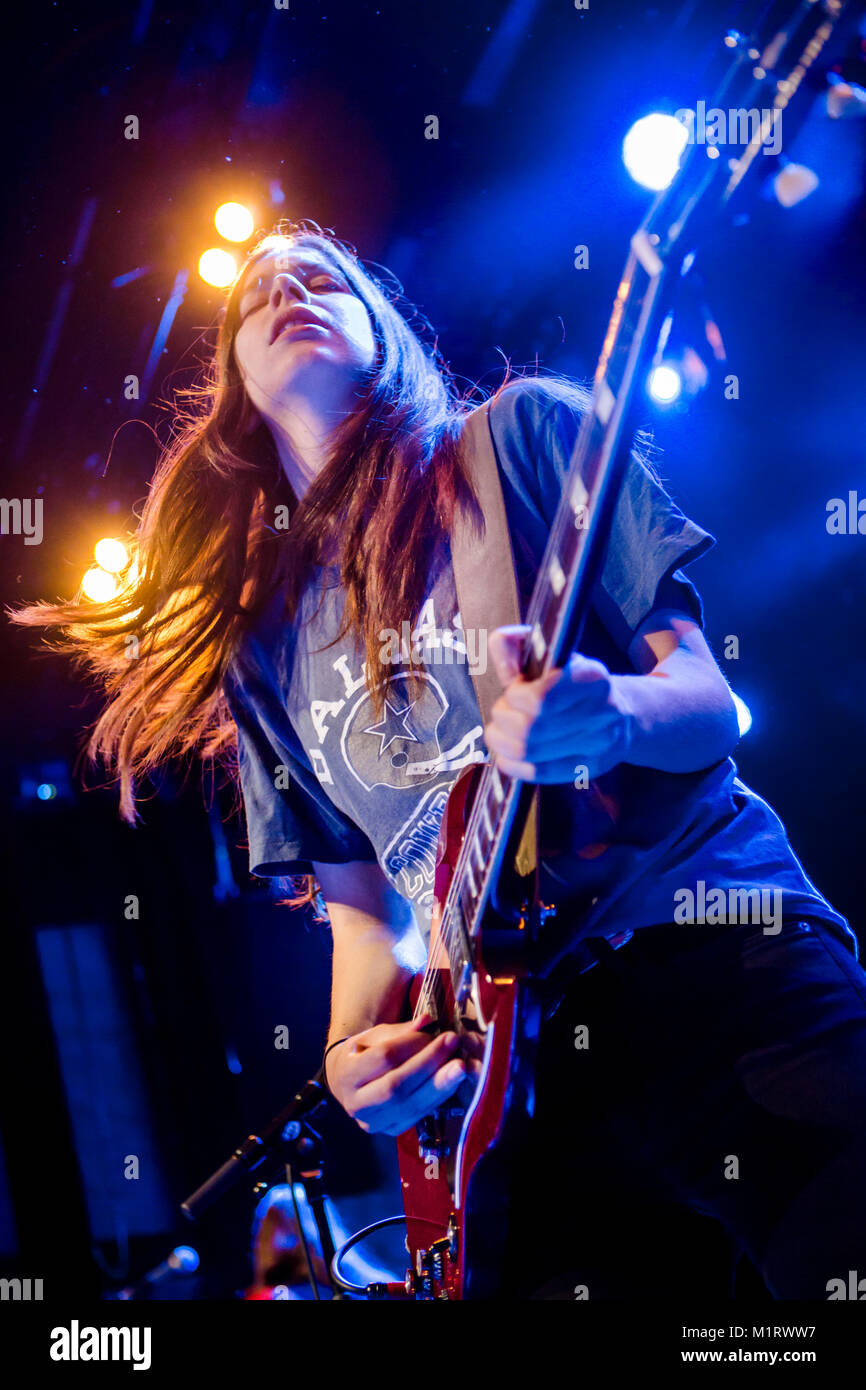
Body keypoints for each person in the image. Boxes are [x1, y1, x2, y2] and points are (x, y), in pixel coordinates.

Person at [13, 218, 866, 1300]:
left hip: (711, 962)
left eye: (324, 277)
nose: (291, 288)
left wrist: (610, 716)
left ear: (384, 330)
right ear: (237, 393)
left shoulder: (517, 440)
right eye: (257, 296)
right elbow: (365, 919)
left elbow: (709, 706)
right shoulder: (262, 650)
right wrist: (349, 1063)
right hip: (517, 1086)